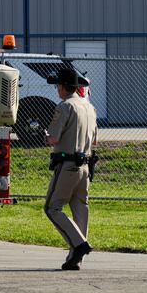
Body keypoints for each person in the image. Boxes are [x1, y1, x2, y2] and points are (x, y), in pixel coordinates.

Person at [44, 66, 99, 271]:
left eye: (58, 85)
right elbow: (94, 142)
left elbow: (54, 138)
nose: (57, 89)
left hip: (67, 165)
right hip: (85, 165)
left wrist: (46, 136)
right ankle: (75, 257)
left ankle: (79, 245)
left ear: (62, 86)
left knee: (52, 208)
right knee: (80, 208)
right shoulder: (90, 108)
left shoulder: (65, 106)